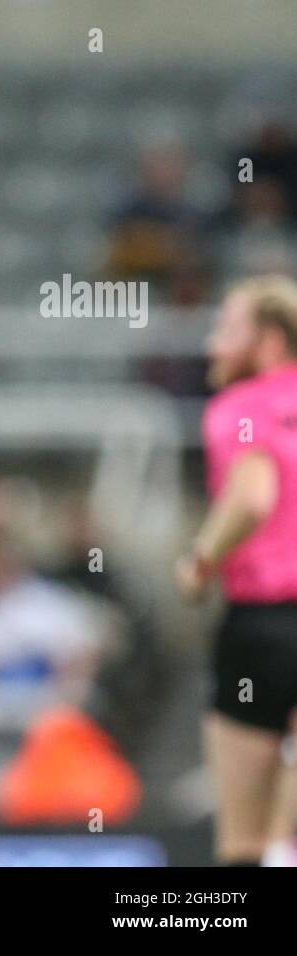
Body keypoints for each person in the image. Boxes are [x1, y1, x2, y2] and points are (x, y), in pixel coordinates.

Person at [177, 275, 297, 865]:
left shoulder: (241, 407)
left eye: (227, 329)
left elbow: (253, 496)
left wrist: (200, 561)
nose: (212, 346)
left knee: (244, 842)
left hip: (264, 628)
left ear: (270, 341)